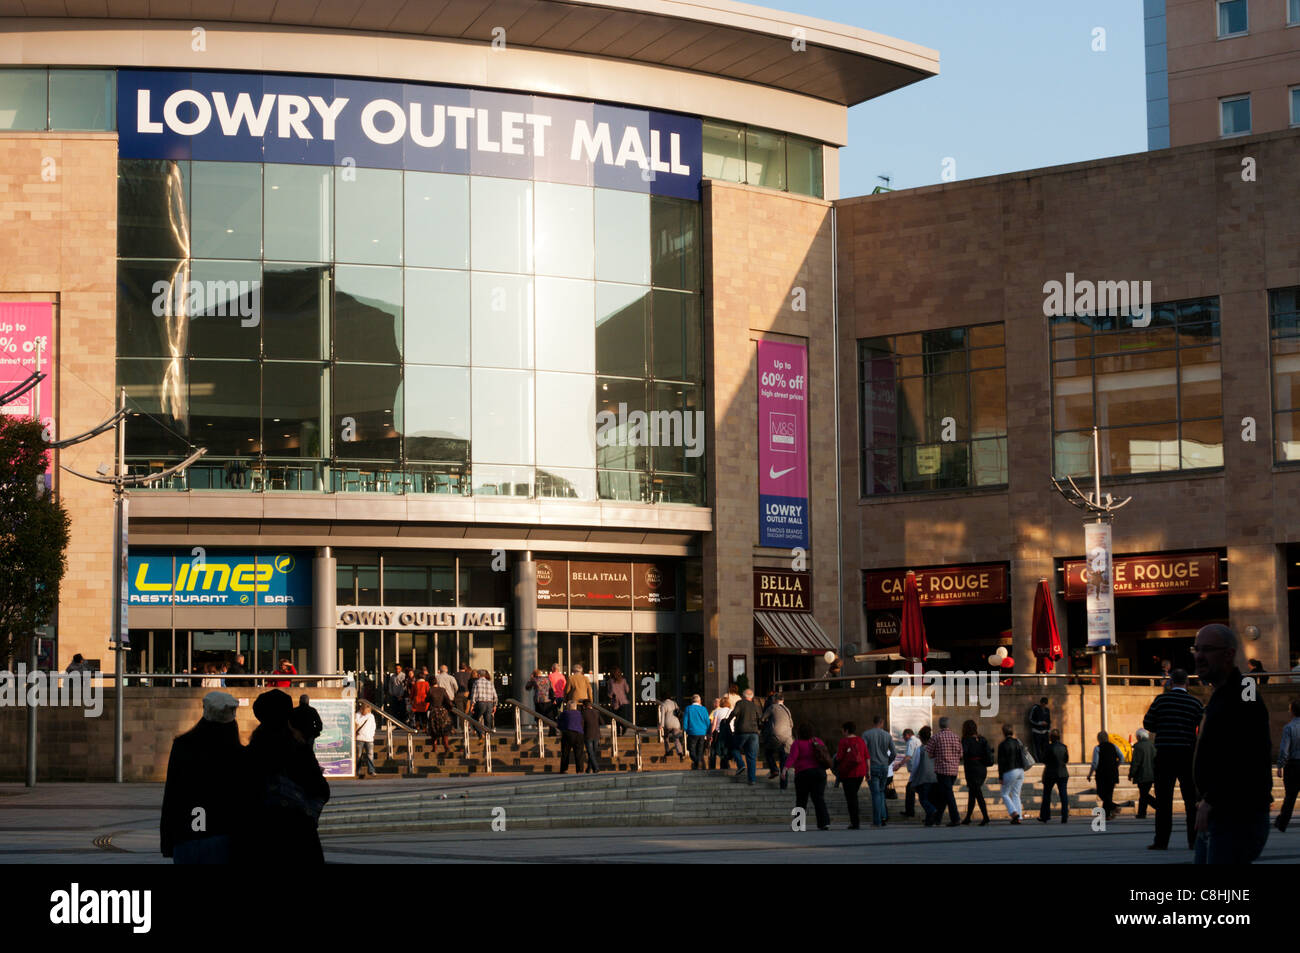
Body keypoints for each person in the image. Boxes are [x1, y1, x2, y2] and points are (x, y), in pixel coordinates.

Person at [1192, 624, 1273, 864]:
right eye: (1196, 649)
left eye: (1207, 650)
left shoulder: (1244, 689)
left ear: (1228, 654)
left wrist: (1213, 799)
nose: (1199, 656)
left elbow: (1247, 755)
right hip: (1218, 813)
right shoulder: (1221, 692)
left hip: (1236, 815)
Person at [240, 688, 330, 864]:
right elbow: (321, 790)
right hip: (298, 836)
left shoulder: (252, 751)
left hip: (260, 838)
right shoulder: (299, 749)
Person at [160, 690, 245, 863]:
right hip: (222, 837)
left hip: (185, 837)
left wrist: (167, 841)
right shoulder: (236, 753)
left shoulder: (182, 746)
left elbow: (172, 796)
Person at [1142, 666, 1203, 851]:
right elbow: (1203, 726)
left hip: (1165, 754)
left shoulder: (1161, 700)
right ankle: (1193, 840)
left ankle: (1161, 841)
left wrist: (1162, 726)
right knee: (1191, 801)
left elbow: (1148, 723)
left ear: (1170, 682)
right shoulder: (1195, 703)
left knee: (1163, 801)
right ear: (1187, 682)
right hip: (1186, 755)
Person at [784, 723, 831, 830]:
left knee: (801, 799)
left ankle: (799, 824)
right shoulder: (817, 741)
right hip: (819, 773)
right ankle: (824, 822)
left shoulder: (797, 743)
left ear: (799, 732)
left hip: (803, 774)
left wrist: (785, 769)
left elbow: (792, 757)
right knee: (819, 798)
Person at [927, 716, 962, 827]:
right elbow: (961, 754)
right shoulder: (956, 737)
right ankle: (937, 818)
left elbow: (929, 754)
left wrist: (938, 755)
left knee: (948, 794)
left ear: (939, 725)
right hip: (954, 770)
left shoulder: (936, 737)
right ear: (948, 725)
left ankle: (955, 818)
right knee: (944, 794)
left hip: (942, 770)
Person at [862, 715, 895, 827]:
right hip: (884, 767)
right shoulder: (887, 735)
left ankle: (877, 821)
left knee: (876, 793)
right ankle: (883, 817)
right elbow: (894, 753)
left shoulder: (866, 734)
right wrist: (887, 762)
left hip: (872, 766)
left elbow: (863, 752)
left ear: (873, 722)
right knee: (881, 792)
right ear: (882, 723)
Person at [834, 721, 868, 829]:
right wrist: (868, 772)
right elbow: (867, 757)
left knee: (851, 798)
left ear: (846, 730)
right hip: (860, 772)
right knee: (853, 796)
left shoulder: (843, 742)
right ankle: (855, 821)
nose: (842, 732)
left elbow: (839, 757)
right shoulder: (861, 741)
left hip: (848, 773)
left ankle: (855, 822)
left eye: (843, 730)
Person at [728, 687, 763, 784]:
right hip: (754, 733)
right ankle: (752, 779)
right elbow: (760, 718)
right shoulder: (755, 705)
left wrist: (727, 721)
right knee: (751, 757)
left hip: (742, 731)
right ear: (751, 697)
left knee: (734, 748)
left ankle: (740, 764)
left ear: (743, 696)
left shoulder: (740, 703)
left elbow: (734, 712)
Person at [960, 719, 992, 826]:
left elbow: (964, 753)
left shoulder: (966, 740)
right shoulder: (982, 739)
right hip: (982, 768)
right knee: (972, 793)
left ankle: (986, 817)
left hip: (972, 769)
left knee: (977, 793)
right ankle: (968, 817)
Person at [1087, 730, 1123, 819]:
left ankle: (1114, 806)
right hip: (1113, 774)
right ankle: (1107, 815)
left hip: (1102, 775)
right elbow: (1122, 757)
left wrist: (1090, 774)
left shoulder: (1097, 748)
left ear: (1099, 739)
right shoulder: (1114, 746)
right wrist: (1116, 765)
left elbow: (1095, 763)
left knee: (1101, 793)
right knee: (1108, 794)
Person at [1276, 700, 1300, 832]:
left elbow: (1284, 749)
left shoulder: (1289, 727)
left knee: (1290, 796)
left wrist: (1280, 765)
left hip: (1293, 765)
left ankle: (1282, 822)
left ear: (1292, 711)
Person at [997, 723, 1028, 824]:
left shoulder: (1002, 745)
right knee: (1015, 794)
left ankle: (1014, 813)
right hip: (1020, 770)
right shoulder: (1018, 742)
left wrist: (1000, 776)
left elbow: (1001, 762)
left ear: (1003, 733)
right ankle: (1019, 817)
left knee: (1004, 794)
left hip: (1010, 770)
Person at [1038, 729, 1070, 823]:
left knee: (1047, 795)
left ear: (1051, 737)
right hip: (1063, 773)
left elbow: (1044, 759)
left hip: (1050, 773)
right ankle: (1065, 816)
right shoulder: (1064, 747)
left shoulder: (1048, 747)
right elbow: (1066, 759)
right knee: (1063, 795)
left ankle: (1045, 816)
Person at [760, 692, 794, 779]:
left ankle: (774, 769)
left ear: (774, 700)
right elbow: (791, 724)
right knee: (783, 761)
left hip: (776, 736)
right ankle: (783, 786)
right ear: (783, 700)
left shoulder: (772, 707)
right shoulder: (787, 710)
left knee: (768, 752)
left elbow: (763, 719)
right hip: (788, 739)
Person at [911, 725, 939, 826]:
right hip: (935, 777)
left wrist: (912, 779)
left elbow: (915, 765)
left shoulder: (920, 750)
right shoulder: (935, 748)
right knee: (930, 798)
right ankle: (929, 820)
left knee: (923, 799)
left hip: (924, 778)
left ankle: (932, 810)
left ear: (921, 738)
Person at [1130, 728, 1158, 820]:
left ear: (1139, 736)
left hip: (1142, 775)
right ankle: (1142, 813)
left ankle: (1157, 806)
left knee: (1144, 794)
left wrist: (1131, 773)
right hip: (1151, 775)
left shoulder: (1138, 746)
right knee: (1143, 794)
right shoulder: (1152, 745)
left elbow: (1136, 762)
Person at [425, 675, 455, 754]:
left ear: (429, 683)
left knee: (433, 730)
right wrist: (450, 708)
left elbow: (426, 700)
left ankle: (434, 748)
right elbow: (448, 701)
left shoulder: (430, 690)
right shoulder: (442, 690)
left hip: (434, 711)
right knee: (444, 730)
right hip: (442, 711)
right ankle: (446, 746)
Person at [557, 701, 586, 774]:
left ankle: (564, 769)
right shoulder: (579, 714)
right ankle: (580, 770)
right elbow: (582, 723)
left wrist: (563, 729)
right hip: (579, 734)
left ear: (568, 707)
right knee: (579, 753)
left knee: (565, 753)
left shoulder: (564, 713)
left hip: (568, 733)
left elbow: (559, 724)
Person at [683, 694, 710, 770]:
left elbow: (685, 720)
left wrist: (685, 729)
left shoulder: (688, 708)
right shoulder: (704, 709)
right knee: (700, 750)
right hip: (702, 732)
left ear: (692, 700)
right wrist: (709, 732)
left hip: (692, 732)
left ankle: (696, 761)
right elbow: (707, 722)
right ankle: (698, 762)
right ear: (699, 701)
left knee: (692, 749)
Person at [900, 728, 921, 817]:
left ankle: (910, 811)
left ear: (907, 735)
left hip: (915, 770)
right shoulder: (918, 741)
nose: (904, 739)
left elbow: (908, 756)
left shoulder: (910, 742)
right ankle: (910, 811)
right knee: (912, 789)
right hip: (919, 769)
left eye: (904, 737)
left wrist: (899, 765)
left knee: (910, 789)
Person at [708, 697, 732, 771]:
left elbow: (714, 725)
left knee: (713, 750)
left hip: (718, 733)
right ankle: (724, 766)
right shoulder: (731, 711)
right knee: (725, 750)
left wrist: (711, 734)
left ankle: (712, 767)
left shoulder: (717, 711)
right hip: (729, 733)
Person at [471, 669, 497, 734]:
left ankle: (480, 734)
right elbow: (495, 695)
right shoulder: (490, 683)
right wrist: (495, 705)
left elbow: (474, 694)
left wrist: (472, 705)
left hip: (480, 702)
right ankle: (488, 737)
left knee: (474, 719)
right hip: (489, 703)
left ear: (479, 675)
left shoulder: (476, 682)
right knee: (487, 722)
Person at [355, 702, 377, 778]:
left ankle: (371, 770)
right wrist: (365, 716)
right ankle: (357, 770)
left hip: (369, 739)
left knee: (370, 755)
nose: (367, 711)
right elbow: (357, 723)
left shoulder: (371, 716)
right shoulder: (357, 715)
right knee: (358, 755)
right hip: (359, 738)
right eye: (365, 709)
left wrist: (371, 735)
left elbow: (373, 727)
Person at [580, 699, 602, 773]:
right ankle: (588, 769)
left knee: (590, 752)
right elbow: (602, 722)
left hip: (588, 734)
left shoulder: (583, 713)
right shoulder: (596, 712)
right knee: (592, 752)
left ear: (584, 706)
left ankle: (596, 767)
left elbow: (582, 725)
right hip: (596, 734)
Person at [1027, 696, 1051, 762]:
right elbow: (1030, 719)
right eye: (1043, 704)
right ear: (1041, 703)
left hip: (1045, 732)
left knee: (1045, 748)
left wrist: (1048, 730)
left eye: (1046, 704)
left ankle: (1044, 760)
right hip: (1036, 732)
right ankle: (1038, 761)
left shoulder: (1047, 710)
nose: (1044, 706)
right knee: (1037, 748)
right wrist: (1039, 723)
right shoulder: (1035, 708)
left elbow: (1049, 721)